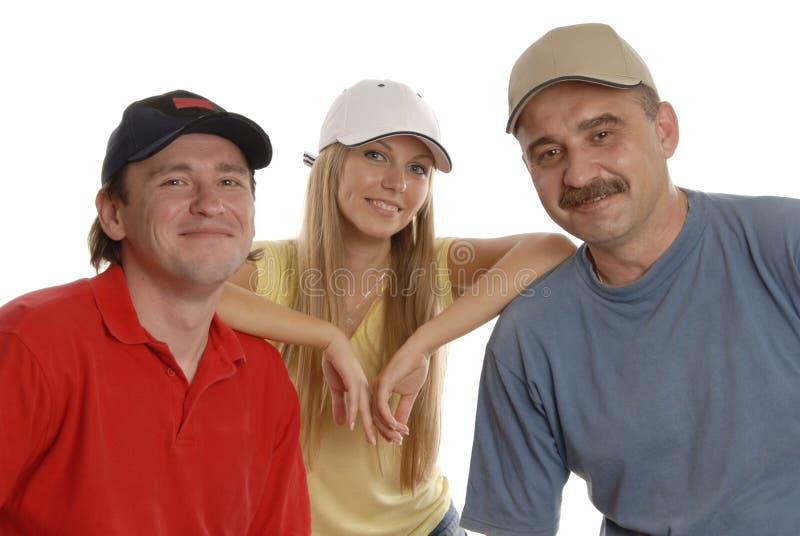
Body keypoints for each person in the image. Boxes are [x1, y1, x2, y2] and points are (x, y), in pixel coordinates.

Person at [458, 23, 800, 535]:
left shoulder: (784, 244)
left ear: (663, 130)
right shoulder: (528, 338)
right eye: (549, 152)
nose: (577, 174)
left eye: (601, 134)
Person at [219, 79, 576, 535]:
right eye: (375, 155)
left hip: (426, 527)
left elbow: (552, 250)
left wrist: (421, 345)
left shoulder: (433, 266)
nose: (396, 183)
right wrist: (325, 336)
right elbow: (182, 292)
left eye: (418, 169)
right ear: (331, 163)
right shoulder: (274, 269)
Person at [0, 90, 312, 534]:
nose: (210, 203)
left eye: (230, 182)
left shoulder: (264, 375)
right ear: (113, 214)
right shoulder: (30, 343)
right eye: (175, 182)